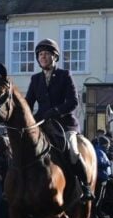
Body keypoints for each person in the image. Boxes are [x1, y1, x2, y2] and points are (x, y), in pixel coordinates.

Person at [24, 38, 94, 201]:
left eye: (46, 54)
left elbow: (74, 102)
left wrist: (56, 111)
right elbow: (28, 103)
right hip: (42, 123)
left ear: (54, 57)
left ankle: (85, 186)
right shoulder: (35, 79)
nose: (42, 57)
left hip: (65, 124)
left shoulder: (64, 75)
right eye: (40, 54)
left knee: (73, 152)